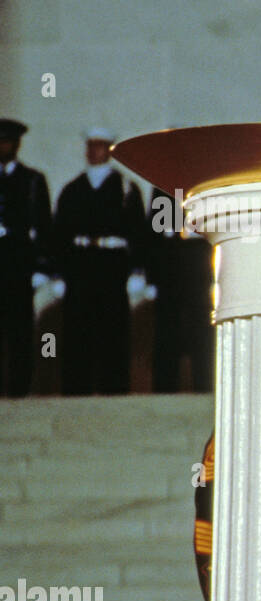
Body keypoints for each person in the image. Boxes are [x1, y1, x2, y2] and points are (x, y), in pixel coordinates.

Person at [52, 128, 147, 395]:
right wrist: (58, 274)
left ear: (110, 150)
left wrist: (137, 272)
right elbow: (60, 234)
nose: (95, 151)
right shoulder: (72, 189)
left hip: (112, 265)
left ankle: (113, 391)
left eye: (101, 146)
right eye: (91, 146)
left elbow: (138, 233)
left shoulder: (127, 189)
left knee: (113, 331)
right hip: (80, 265)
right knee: (77, 330)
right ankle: (75, 391)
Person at [0, 118, 52, 397]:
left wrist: (42, 266)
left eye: (7, 141)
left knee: (20, 332)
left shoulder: (32, 180)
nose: (3, 146)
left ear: (17, 144)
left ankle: (20, 391)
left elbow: (42, 225)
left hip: (18, 267)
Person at [147, 187, 214, 391]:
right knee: (167, 329)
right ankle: (164, 390)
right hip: (170, 266)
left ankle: (204, 387)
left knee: (201, 329)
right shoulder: (162, 186)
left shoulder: (207, 185)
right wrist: (151, 277)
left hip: (198, 265)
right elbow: (153, 236)